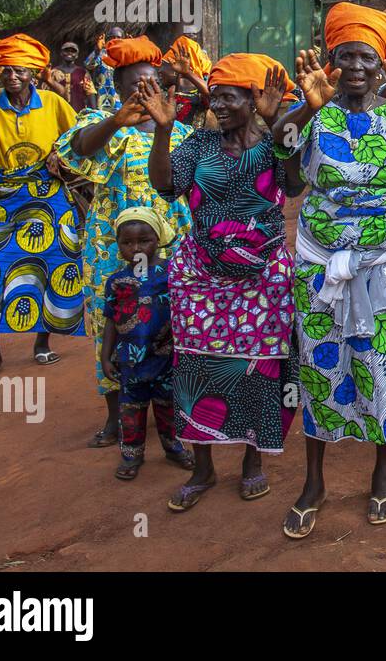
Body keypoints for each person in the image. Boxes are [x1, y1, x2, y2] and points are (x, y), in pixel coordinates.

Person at [275, 2, 386, 540]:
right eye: (345, 55)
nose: (355, 66)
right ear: (331, 63)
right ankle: (313, 482)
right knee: (320, 367)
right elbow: (288, 180)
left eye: (366, 57)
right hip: (323, 264)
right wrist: (305, 110)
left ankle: (382, 473)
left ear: (382, 64)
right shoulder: (317, 111)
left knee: (382, 363)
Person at [142, 53, 302, 511]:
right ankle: (203, 468)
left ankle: (253, 463)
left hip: (263, 278)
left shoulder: (274, 140)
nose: (220, 105)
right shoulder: (197, 144)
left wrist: (279, 129)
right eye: (216, 96)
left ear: (254, 100)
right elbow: (165, 185)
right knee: (196, 367)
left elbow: (293, 186)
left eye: (231, 97)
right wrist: (163, 129)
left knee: (259, 367)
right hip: (201, 276)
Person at [56, 36, 193, 448]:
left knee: (174, 321)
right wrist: (117, 120)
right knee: (111, 319)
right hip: (110, 246)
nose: (144, 91)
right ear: (117, 88)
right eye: (134, 84)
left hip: (169, 240)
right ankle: (116, 415)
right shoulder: (100, 122)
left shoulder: (180, 131)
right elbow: (77, 149)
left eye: (150, 82)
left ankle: (177, 411)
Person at [0, 35, 83, 380]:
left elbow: (79, 136)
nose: (12, 76)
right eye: (6, 70)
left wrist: (60, 155)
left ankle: (42, 343)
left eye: (20, 70)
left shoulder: (52, 102)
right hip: (0, 198)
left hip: (46, 193)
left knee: (52, 266)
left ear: (33, 73)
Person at [99, 207, 194, 480]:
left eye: (144, 240)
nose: (136, 248)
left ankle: (173, 448)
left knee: (167, 406)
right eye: (127, 243)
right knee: (131, 410)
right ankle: (132, 455)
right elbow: (110, 322)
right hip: (130, 361)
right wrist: (105, 358)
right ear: (118, 245)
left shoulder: (171, 273)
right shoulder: (116, 283)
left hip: (166, 356)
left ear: (158, 239)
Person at [159, 36, 212, 128]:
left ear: (177, 68)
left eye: (164, 64)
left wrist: (187, 73)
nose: (160, 70)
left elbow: (212, 94)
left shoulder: (200, 94)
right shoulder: (166, 92)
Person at [84, 26, 125, 111]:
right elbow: (88, 64)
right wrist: (97, 51)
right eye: (112, 37)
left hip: (121, 103)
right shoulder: (101, 54)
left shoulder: (126, 56)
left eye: (118, 37)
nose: (115, 39)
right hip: (101, 103)